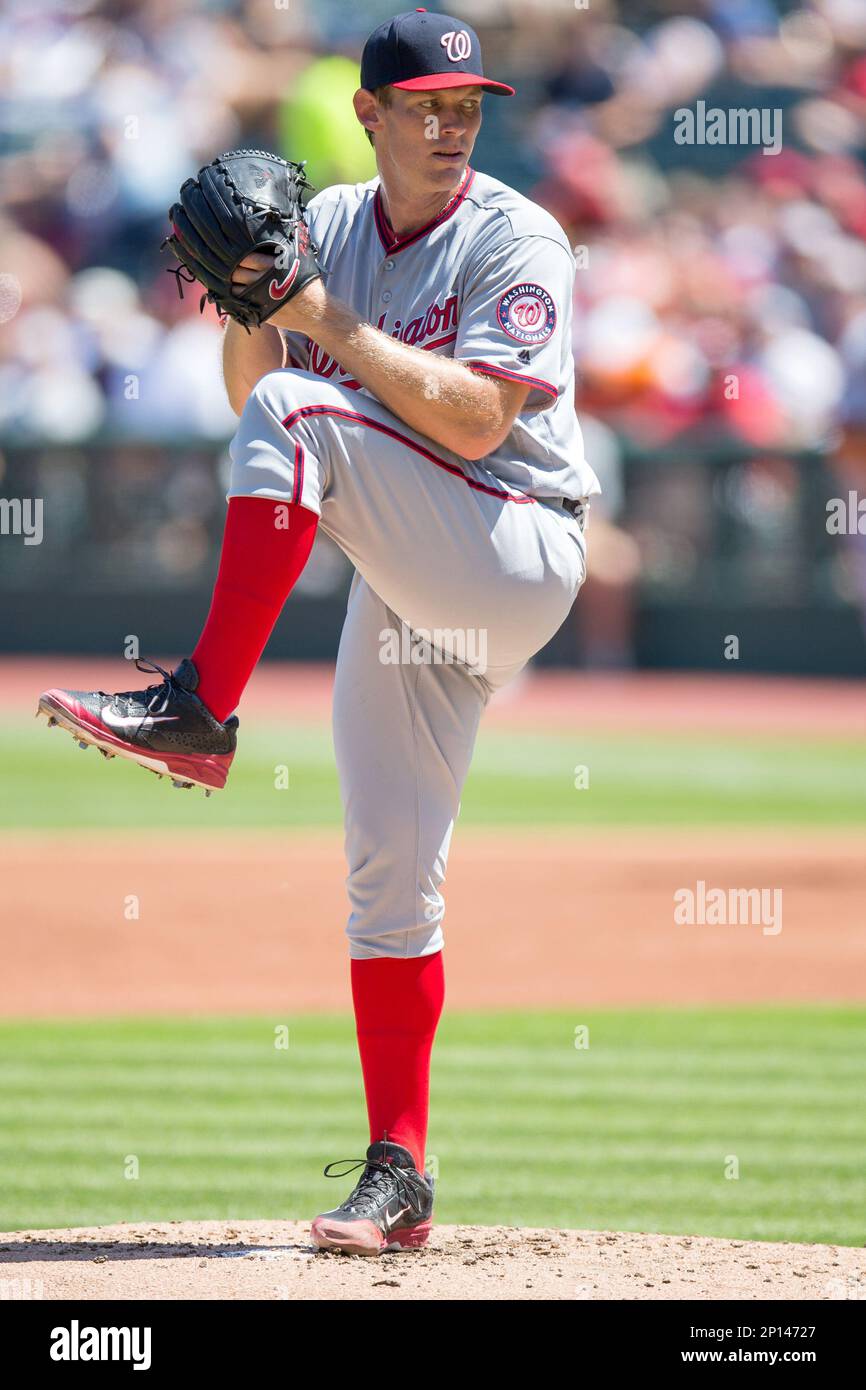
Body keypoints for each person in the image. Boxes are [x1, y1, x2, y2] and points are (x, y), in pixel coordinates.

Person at [37, 8, 600, 1256]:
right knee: (386, 877)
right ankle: (397, 1172)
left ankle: (200, 706)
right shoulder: (334, 221)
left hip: (514, 547)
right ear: (369, 115)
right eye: (428, 105)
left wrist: (316, 320)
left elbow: (469, 423)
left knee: (306, 406)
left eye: (469, 106)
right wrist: (251, 302)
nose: (453, 125)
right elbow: (250, 393)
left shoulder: (519, 235)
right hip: (410, 577)